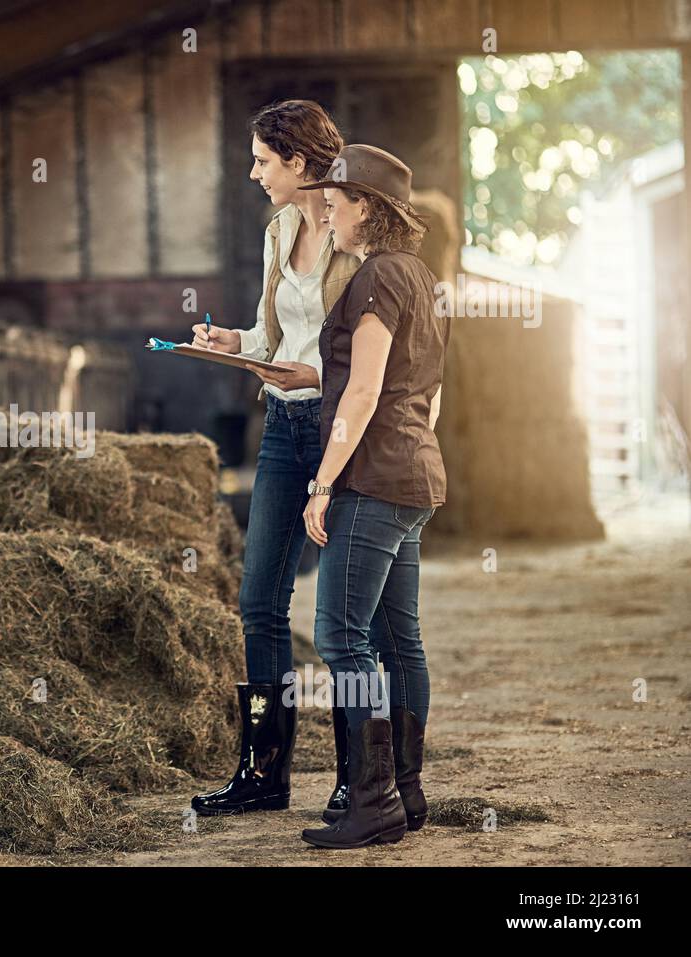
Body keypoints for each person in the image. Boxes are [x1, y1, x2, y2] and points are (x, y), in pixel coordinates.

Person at [189, 100, 359, 816]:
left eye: (263, 160)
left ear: (297, 162)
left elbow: (370, 359)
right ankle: (264, 773)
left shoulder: (358, 233)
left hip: (343, 428)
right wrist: (232, 342)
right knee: (257, 602)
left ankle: (360, 780)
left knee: (352, 620)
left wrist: (314, 377)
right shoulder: (278, 230)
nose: (253, 172)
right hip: (284, 429)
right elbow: (272, 339)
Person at [294, 144, 449, 849]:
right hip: (413, 472)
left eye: (334, 204)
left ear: (366, 207)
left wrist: (324, 480)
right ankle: (404, 792)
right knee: (397, 639)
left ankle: (374, 800)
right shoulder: (416, 276)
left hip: (375, 479)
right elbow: (427, 392)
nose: (326, 216)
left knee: (340, 637)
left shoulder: (378, 278)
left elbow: (363, 388)